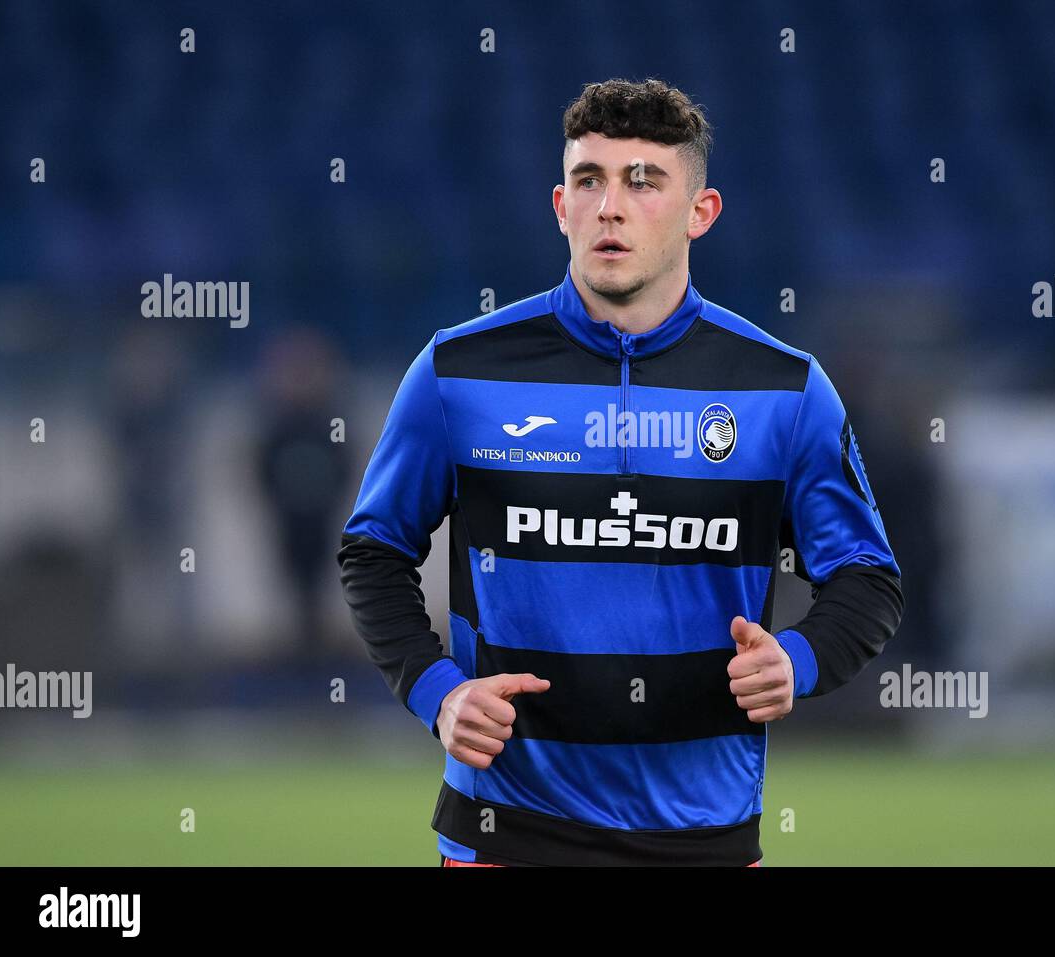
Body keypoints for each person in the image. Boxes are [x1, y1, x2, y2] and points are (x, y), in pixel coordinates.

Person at [337, 77, 903, 867]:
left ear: (699, 212)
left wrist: (796, 661)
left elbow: (869, 578)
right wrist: (439, 693)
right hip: (505, 833)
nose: (611, 205)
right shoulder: (456, 371)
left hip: (703, 840)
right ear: (560, 206)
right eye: (590, 180)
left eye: (644, 182)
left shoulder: (786, 391)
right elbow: (373, 550)